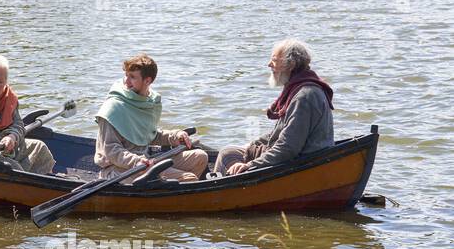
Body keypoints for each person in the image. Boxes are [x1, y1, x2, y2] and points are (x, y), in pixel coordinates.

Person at [216, 39, 334, 176]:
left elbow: (288, 148)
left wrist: (249, 165)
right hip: (299, 157)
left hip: (301, 164)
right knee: (229, 151)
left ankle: (218, 194)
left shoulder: (304, 97)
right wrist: (252, 144)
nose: (269, 65)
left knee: (227, 155)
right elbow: (283, 132)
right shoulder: (300, 89)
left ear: (290, 65)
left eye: (274, 61)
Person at [94, 54, 207, 182]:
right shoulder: (112, 108)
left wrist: (175, 136)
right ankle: (170, 196)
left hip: (146, 161)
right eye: (126, 75)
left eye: (132, 77)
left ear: (147, 81)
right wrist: (136, 161)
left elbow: (149, 135)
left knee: (200, 157)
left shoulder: (148, 102)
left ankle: (165, 197)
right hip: (119, 169)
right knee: (188, 179)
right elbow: (111, 150)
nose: (126, 80)